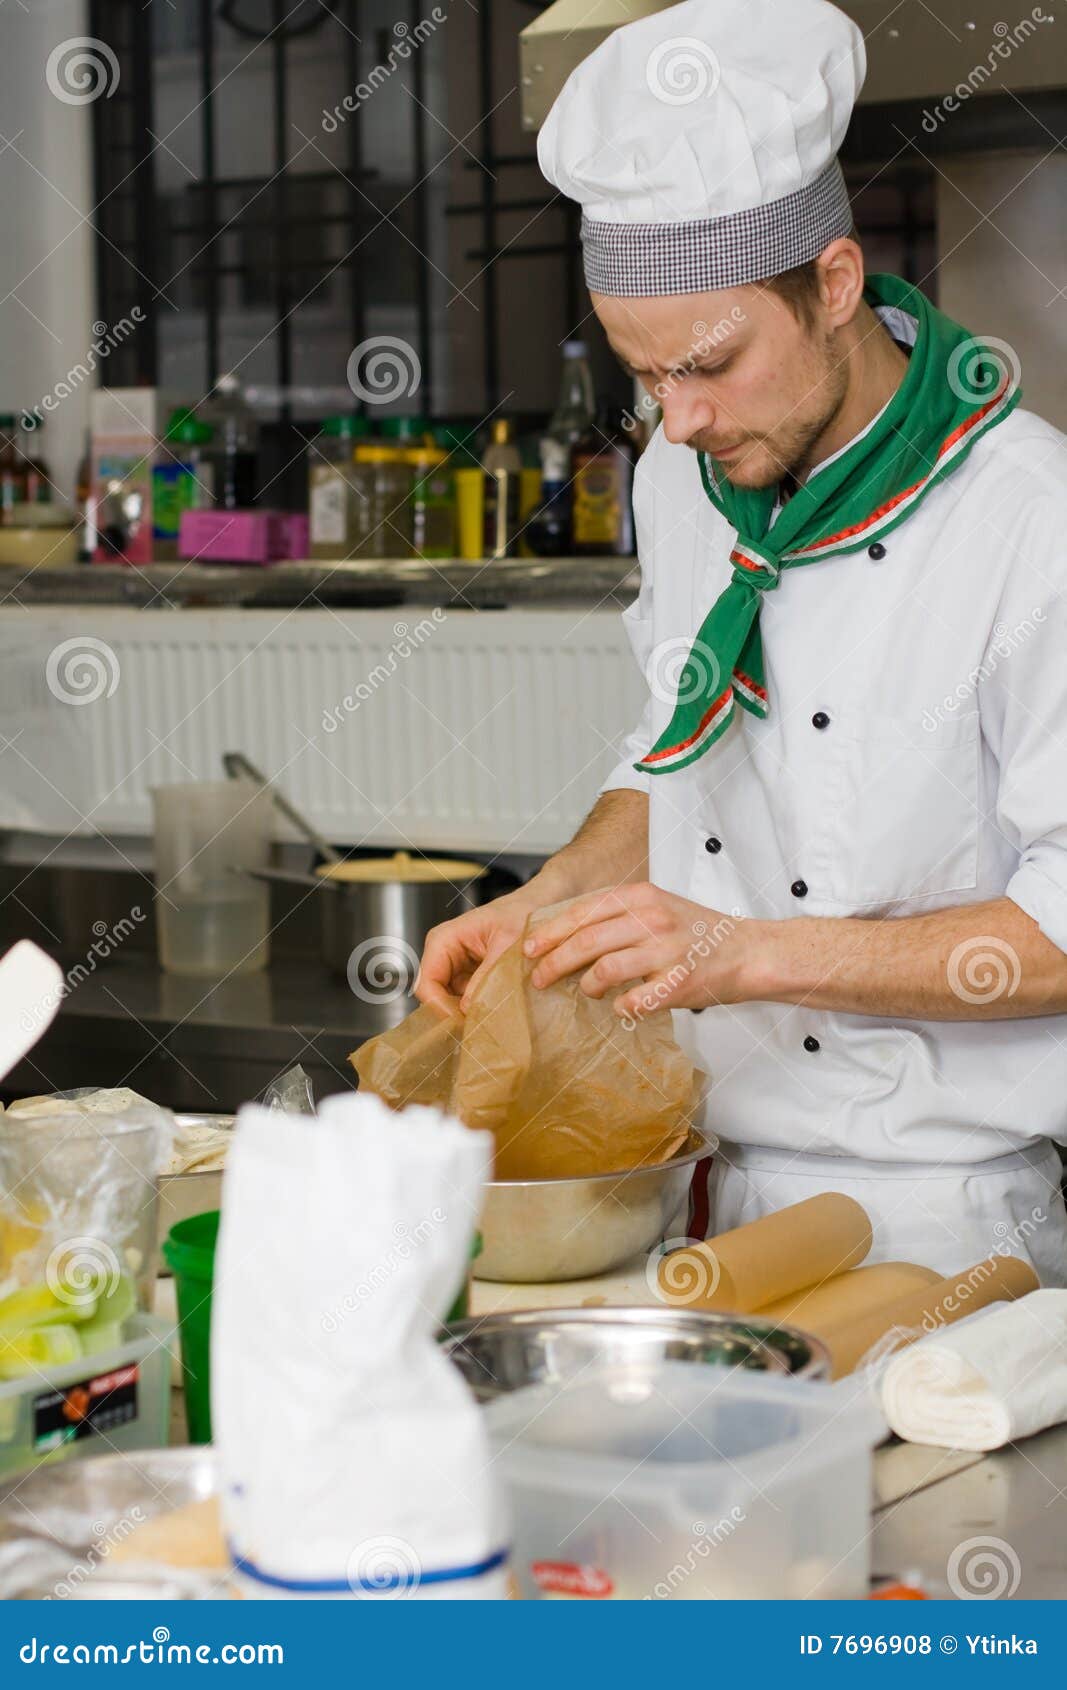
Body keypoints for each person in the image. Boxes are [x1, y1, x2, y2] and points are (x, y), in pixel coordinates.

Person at [416, 0, 1067, 1283]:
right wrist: (558, 898)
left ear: (832, 282)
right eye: (643, 374)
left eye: (708, 364)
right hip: (703, 1187)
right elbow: (677, 744)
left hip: (951, 1224)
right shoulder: (681, 475)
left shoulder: (1024, 517)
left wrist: (742, 953)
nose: (680, 416)